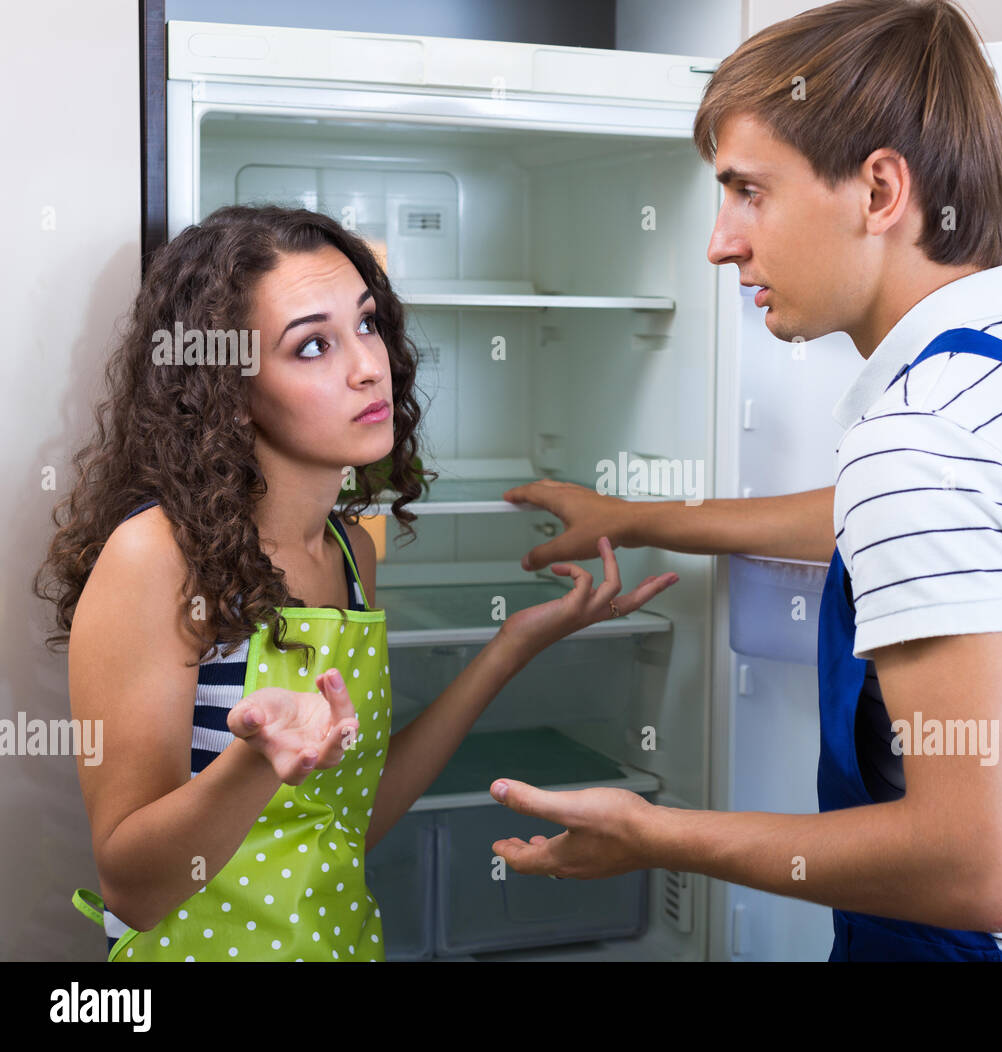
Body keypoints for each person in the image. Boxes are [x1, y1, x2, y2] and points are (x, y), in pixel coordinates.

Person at [487, 0, 1002, 961]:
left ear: (878, 191)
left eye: (748, 192)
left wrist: (657, 835)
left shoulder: (920, 443)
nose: (720, 241)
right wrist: (640, 515)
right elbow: (929, 534)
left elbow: (977, 870)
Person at [36, 204, 677, 962]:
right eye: (312, 345)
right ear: (228, 387)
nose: (368, 365)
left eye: (366, 324)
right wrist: (253, 764)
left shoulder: (347, 549)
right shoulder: (156, 558)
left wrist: (512, 646)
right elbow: (132, 889)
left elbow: (347, 820)